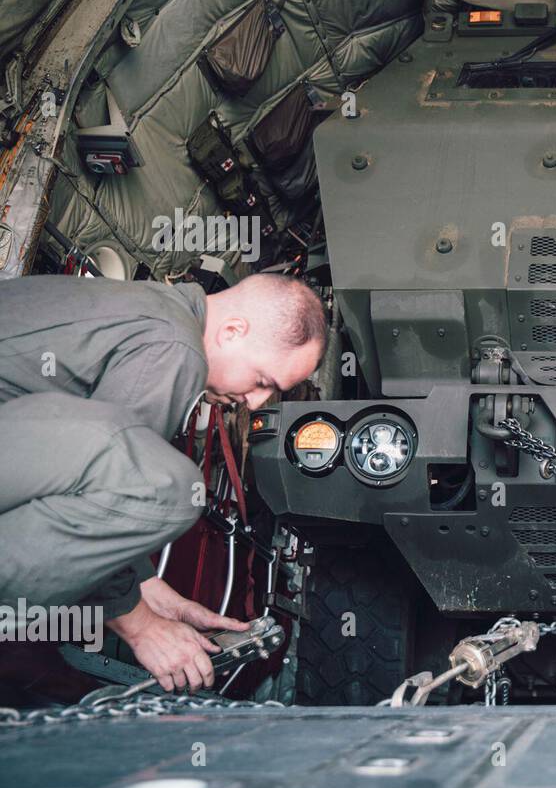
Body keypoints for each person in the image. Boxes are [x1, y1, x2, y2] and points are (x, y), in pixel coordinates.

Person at [0, 272, 325, 692]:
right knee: (170, 489)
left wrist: (150, 591)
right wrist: (142, 627)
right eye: (263, 381)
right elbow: (119, 484)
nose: (256, 401)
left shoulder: (156, 311)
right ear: (232, 332)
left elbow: (85, 481)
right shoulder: (174, 349)